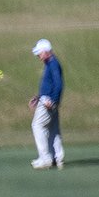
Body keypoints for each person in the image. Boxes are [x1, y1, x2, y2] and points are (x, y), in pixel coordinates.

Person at [29, 39, 64, 168]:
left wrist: (53, 100)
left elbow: (58, 84)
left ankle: (45, 158)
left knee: (37, 125)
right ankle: (57, 158)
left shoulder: (53, 64)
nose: (38, 56)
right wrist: (38, 97)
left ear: (46, 52)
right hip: (47, 99)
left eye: (39, 53)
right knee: (53, 130)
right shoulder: (50, 63)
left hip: (48, 102)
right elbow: (49, 85)